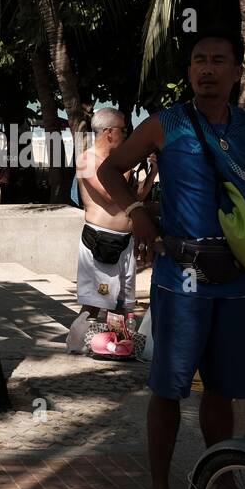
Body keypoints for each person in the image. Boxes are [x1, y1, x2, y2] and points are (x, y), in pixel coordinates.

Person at [95, 28, 245, 489]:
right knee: (167, 388)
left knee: (223, 391)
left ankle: (217, 483)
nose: (207, 69)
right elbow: (110, 171)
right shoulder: (166, 124)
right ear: (189, 71)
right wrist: (138, 212)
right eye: (198, 61)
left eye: (218, 61)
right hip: (180, 276)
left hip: (241, 278)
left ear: (237, 71)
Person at [68, 109, 155, 340]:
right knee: (94, 304)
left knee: (122, 304)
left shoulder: (116, 166)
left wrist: (153, 169)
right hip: (100, 239)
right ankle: (75, 343)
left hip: (125, 240)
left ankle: (115, 345)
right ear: (108, 132)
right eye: (123, 131)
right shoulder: (87, 159)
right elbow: (109, 194)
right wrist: (124, 165)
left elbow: (135, 199)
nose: (126, 136)